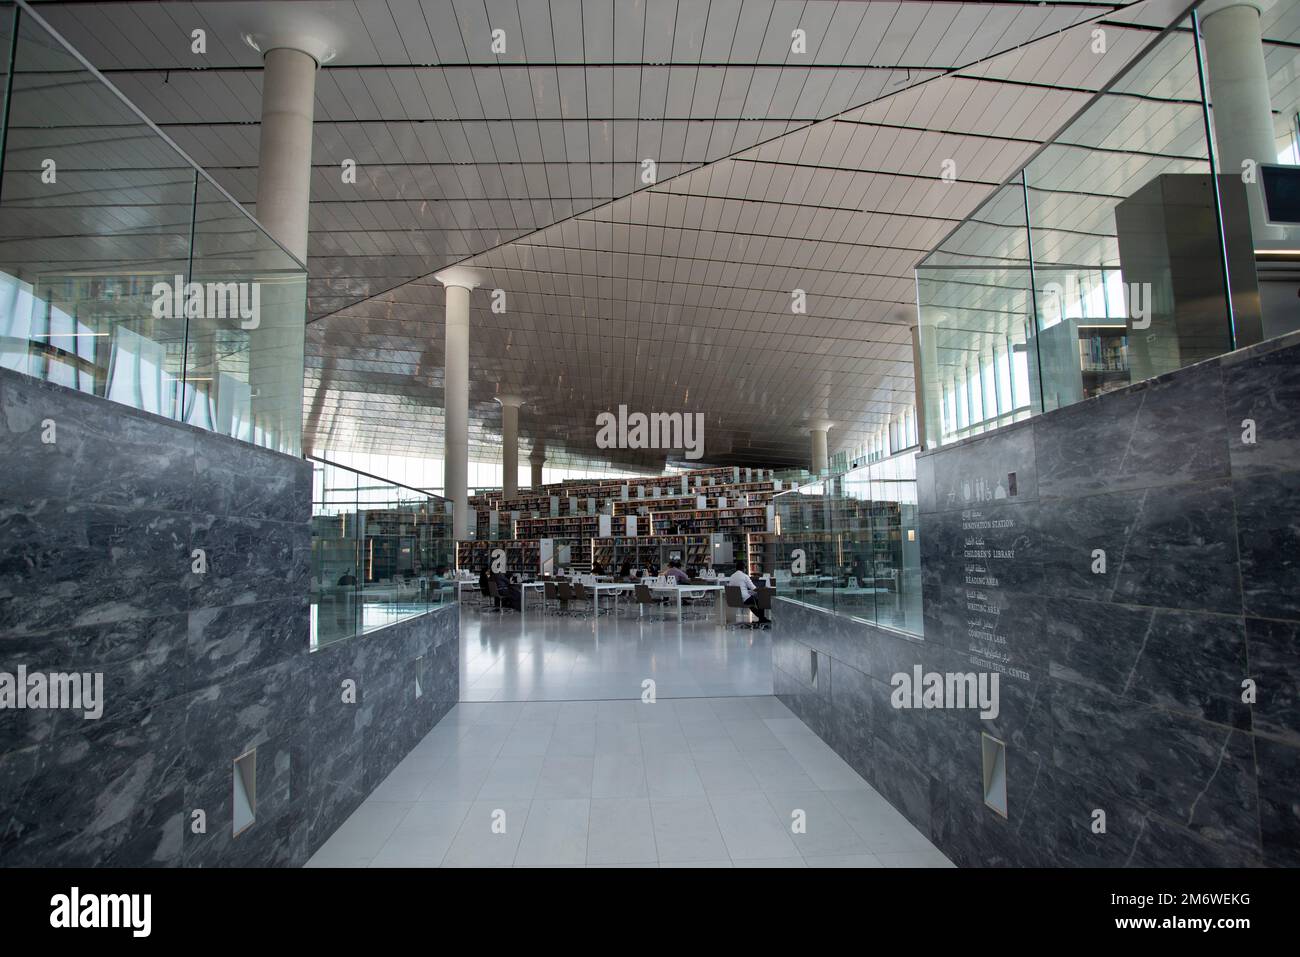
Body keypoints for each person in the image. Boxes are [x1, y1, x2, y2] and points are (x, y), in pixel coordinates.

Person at [727, 560, 770, 625]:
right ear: (744, 568)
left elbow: (731, 588)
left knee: (751, 602)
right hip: (744, 599)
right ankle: (762, 619)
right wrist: (763, 589)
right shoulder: (745, 576)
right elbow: (754, 588)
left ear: (736, 568)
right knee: (760, 600)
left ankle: (762, 619)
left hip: (735, 600)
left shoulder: (732, 576)